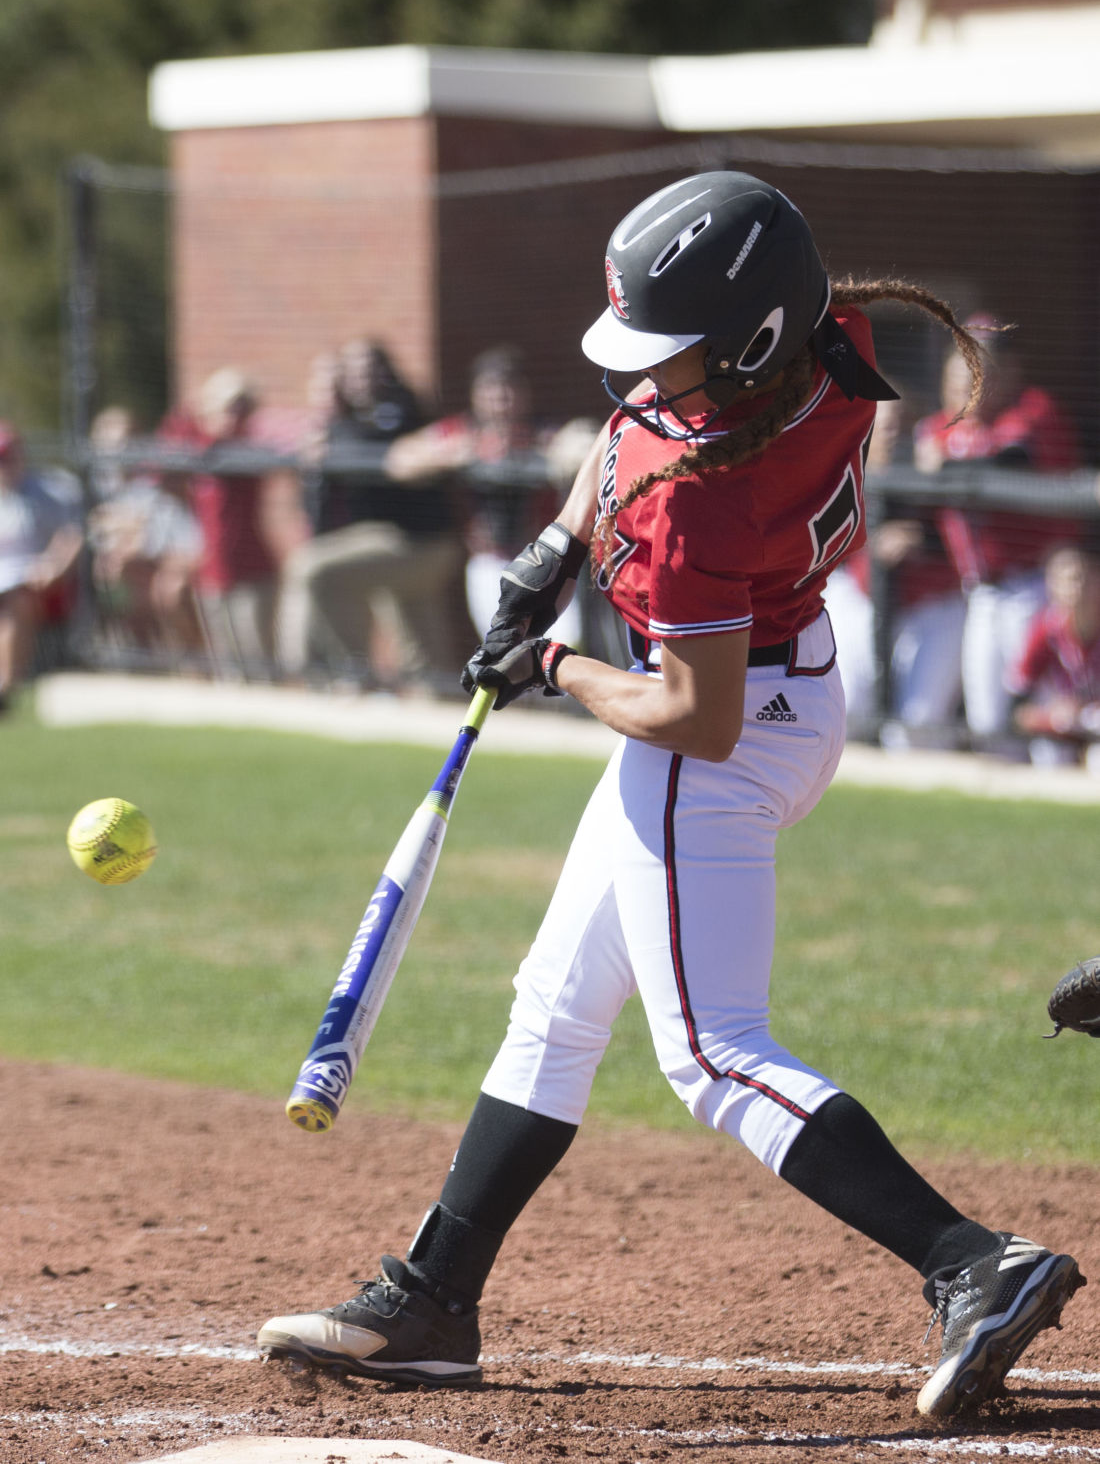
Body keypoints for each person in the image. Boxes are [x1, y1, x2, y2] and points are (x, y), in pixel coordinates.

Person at [258, 173, 1083, 1420]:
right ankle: (435, 1297)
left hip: (719, 734)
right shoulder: (825, 348)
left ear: (746, 343)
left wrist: (555, 663)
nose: (643, 376)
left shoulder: (700, 496)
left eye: (677, 348)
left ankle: (973, 1263)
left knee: (707, 1049)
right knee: (554, 1003)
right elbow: (637, 416)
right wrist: (553, 546)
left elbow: (686, 710)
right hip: (786, 694)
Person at [913, 322, 1080, 755]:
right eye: (962, 371)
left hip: (1033, 586)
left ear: (1008, 371)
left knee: (1044, 716)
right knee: (988, 719)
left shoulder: (1032, 410)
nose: (971, 382)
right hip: (979, 593)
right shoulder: (941, 427)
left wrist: (947, 460)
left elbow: (1013, 459)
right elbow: (922, 458)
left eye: (983, 368)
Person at [276, 339, 461, 690]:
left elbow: (379, 446)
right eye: (353, 370)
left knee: (312, 567)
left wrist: (331, 439)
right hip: (389, 544)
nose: (363, 377)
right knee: (424, 653)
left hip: (419, 543)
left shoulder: (399, 409)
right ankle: (436, 705)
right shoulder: (346, 422)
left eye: (370, 368)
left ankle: (356, 677)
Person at [385, 345, 583, 650]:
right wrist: (450, 456)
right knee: (503, 650)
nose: (500, 399)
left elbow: (582, 445)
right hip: (488, 560)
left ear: (524, 393)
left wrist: (559, 454)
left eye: (508, 389)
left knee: (564, 644)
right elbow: (399, 460)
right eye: (490, 390)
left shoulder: (543, 432)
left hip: (547, 559)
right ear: (476, 395)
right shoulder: (465, 432)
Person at [825, 398, 965, 745]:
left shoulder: (938, 474)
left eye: (900, 424)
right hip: (862, 598)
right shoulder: (844, 470)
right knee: (848, 713)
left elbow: (972, 546)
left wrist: (923, 538)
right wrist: (871, 543)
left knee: (917, 726)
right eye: (882, 423)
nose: (890, 432)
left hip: (931, 607)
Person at [161, 369, 280, 681]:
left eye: (243, 407)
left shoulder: (247, 450)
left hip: (254, 572)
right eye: (229, 406)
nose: (236, 415)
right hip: (213, 572)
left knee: (260, 664)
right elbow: (164, 461)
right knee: (230, 667)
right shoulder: (198, 449)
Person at [86, 405, 204, 661]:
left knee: (169, 588)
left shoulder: (158, 484)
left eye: (127, 442)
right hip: (117, 581)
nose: (119, 451)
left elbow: (182, 544)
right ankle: (138, 657)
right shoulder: (93, 492)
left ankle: (193, 662)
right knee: (110, 574)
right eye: (111, 444)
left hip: (164, 568)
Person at [0, 422, 83, 708]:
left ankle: (5, 687)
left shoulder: (49, 490)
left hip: (32, 576)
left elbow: (70, 536)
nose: (4, 466)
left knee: (15, 602)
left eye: (7, 458)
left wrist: (53, 566)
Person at [1007, 544, 1100, 770]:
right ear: (1053, 587)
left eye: (1086, 579)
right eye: (1070, 580)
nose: (1079, 589)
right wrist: (1053, 716)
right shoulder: (1046, 630)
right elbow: (1017, 711)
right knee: (1050, 754)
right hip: (1061, 730)